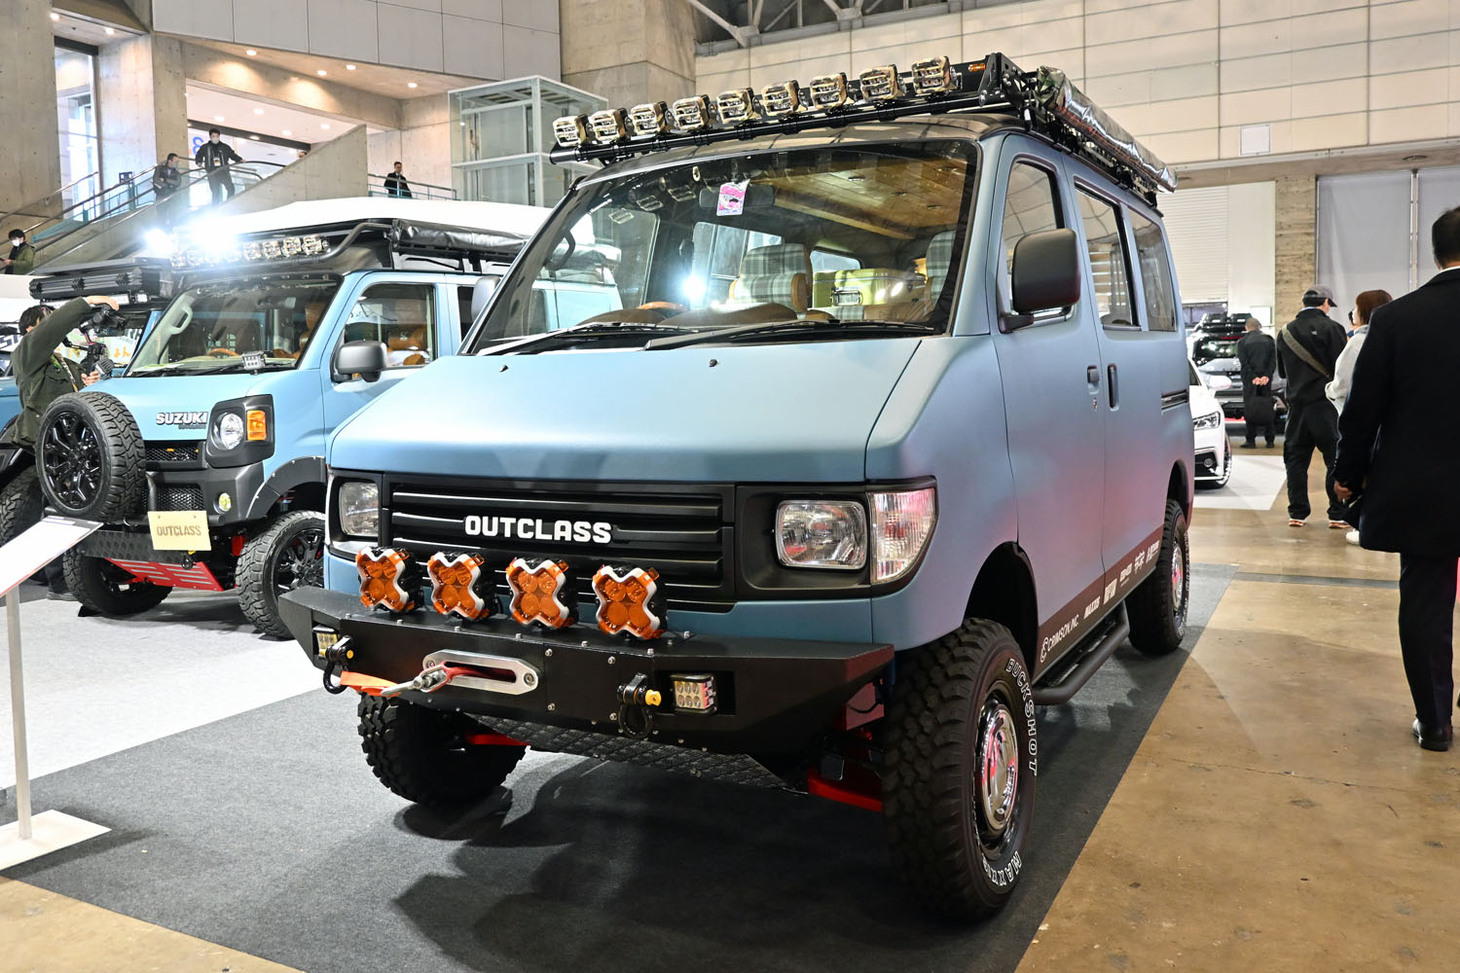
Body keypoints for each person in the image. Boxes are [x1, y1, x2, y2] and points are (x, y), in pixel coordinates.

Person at [1334, 208, 1460, 752]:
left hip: (1424, 491)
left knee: (1427, 603)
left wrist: (1347, 474)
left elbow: (1364, 410)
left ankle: (1434, 723)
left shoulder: (1397, 320)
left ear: (1435, 253)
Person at [1275, 284, 1348, 528]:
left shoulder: (1285, 332)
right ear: (1325, 303)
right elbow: (1341, 369)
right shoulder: (1333, 329)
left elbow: (1283, 372)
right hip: (1325, 406)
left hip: (1296, 407)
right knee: (1333, 459)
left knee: (1295, 461)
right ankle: (1337, 514)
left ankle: (1297, 513)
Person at [1327, 289, 1393, 546]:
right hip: (1389, 424)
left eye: (1355, 308)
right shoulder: (1392, 337)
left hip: (1358, 419)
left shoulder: (1356, 343)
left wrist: (1328, 390)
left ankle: (1362, 523)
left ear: (1363, 311)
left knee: (1359, 472)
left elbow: (1342, 386)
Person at [1235, 317, 1277, 449]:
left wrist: (1253, 377)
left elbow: (1244, 362)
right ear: (1259, 326)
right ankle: (1270, 440)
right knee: (1267, 408)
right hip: (1266, 381)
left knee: (1250, 408)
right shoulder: (1269, 340)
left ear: (1247, 327)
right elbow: (1273, 361)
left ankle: (1250, 440)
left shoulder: (1242, 342)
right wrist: (1266, 376)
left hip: (1250, 381)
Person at [194, 129, 242, 205]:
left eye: (216, 136)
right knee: (215, 192)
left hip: (223, 172)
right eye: (213, 136)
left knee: (230, 188)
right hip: (212, 172)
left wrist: (240, 160)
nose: (215, 138)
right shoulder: (205, 147)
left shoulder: (224, 147)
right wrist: (199, 162)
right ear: (210, 137)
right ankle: (215, 207)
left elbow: (232, 155)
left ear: (219, 137)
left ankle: (228, 204)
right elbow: (199, 155)